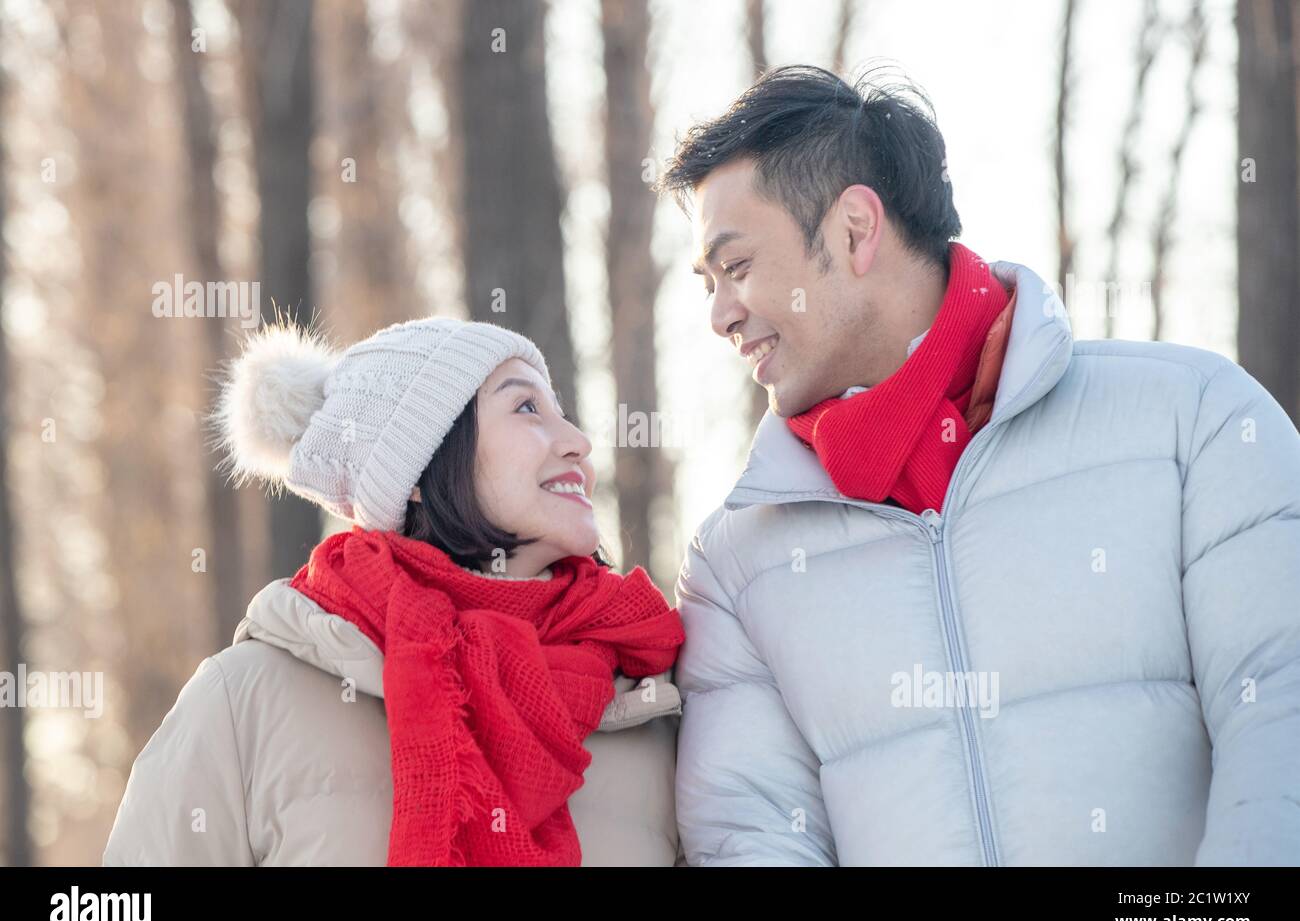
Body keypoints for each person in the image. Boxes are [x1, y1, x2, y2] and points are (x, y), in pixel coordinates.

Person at [656, 65, 1300, 866]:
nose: (719, 315)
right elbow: (751, 836)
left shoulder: (1191, 422)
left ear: (856, 231)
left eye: (738, 266)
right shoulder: (736, 563)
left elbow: (1280, 721)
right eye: (708, 282)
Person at [103, 317, 686, 866]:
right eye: (526, 407)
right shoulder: (246, 701)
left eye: (563, 413)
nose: (578, 443)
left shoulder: (648, 701)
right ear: (417, 469)